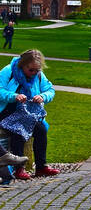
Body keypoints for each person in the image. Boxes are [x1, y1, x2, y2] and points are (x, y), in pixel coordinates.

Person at [0, 49, 59, 179]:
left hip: (27, 112)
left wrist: (42, 96)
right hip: (7, 111)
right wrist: (14, 96)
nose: (33, 74)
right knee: (18, 129)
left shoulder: (38, 75)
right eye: (30, 70)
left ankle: (41, 166)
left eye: (36, 71)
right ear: (23, 65)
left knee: (41, 130)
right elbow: (0, 90)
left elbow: (50, 90)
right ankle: (19, 168)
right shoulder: (8, 71)